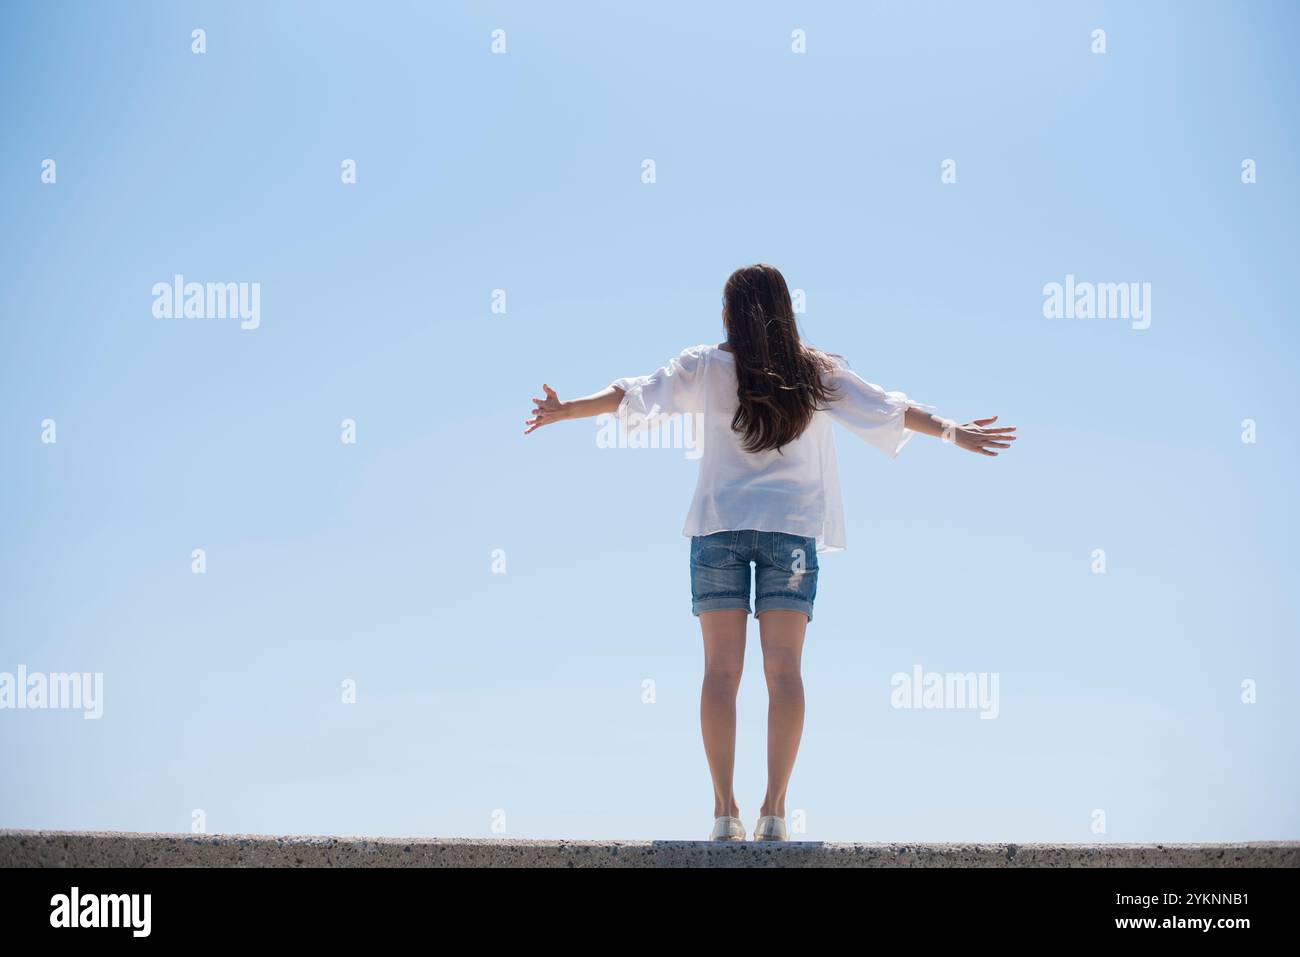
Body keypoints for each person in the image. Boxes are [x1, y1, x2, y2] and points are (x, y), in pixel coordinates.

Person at [525, 263, 1016, 841]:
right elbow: (890, 409)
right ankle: (775, 809)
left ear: (730, 313)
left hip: (719, 531)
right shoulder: (816, 372)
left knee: (719, 673)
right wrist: (956, 431)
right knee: (784, 673)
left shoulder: (706, 366)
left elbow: (633, 393)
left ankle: (722, 811)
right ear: (786, 309)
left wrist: (566, 410)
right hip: (792, 538)